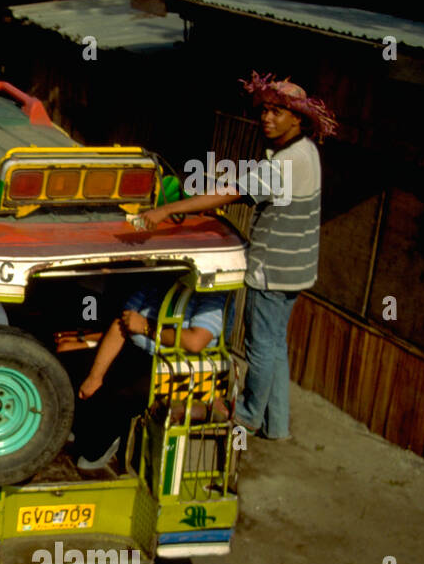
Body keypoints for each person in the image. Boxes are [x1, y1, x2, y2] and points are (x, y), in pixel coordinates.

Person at [137, 73, 335, 441]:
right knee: (275, 344)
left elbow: (231, 193)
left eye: (278, 113)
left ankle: (246, 415)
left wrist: (169, 210)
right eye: (266, 111)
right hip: (295, 268)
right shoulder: (306, 152)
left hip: (273, 270)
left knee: (260, 346)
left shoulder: (285, 164)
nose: (267, 118)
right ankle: (277, 425)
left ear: (298, 120)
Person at [73, 285, 224, 472]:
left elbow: (195, 341)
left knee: (121, 394)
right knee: (74, 364)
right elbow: (120, 325)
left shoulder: (211, 294)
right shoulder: (159, 282)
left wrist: (146, 327)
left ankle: (100, 445)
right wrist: (95, 376)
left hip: (180, 368)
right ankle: (79, 427)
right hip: (138, 352)